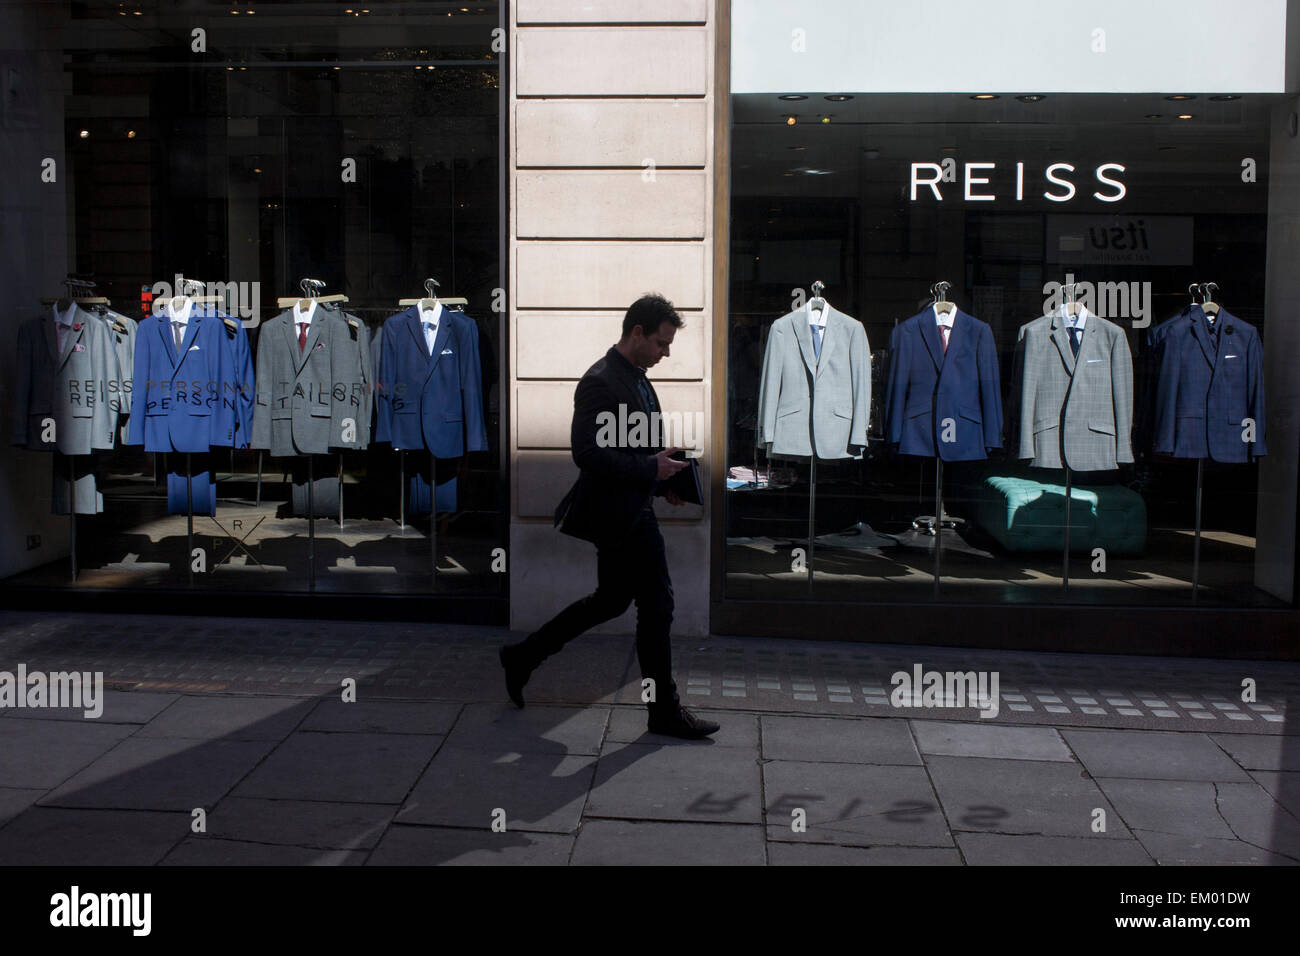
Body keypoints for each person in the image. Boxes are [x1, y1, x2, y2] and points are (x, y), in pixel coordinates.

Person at [498, 294, 719, 739]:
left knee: (612, 600)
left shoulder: (637, 377)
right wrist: (649, 471)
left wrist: (664, 479)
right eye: (661, 343)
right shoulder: (599, 381)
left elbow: (632, 447)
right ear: (636, 333)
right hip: (620, 517)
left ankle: (523, 656)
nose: (666, 353)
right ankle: (664, 711)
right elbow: (588, 454)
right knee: (658, 606)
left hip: (634, 508)